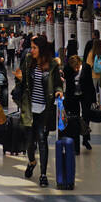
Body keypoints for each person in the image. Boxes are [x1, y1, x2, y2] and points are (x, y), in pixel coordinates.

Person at [13, 36, 64, 187]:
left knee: (42, 139)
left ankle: (43, 174)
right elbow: (19, 80)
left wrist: (59, 91)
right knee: (29, 142)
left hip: (44, 109)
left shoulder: (53, 64)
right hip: (29, 107)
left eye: (35, 47)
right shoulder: (28, 61)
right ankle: (32, 162)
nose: (32, 50)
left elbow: (57, 83)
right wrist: (19, 78)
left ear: (41, 49)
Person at [63, 51, 95, 150]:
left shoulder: (86, 68)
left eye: (77, 67)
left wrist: (93, 99)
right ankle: (75, 140)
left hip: (85, 94)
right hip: (72, 96)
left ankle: (85, 138)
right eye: (74, 68)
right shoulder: (68, 69)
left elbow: (90, 83)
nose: (75, 70)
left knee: (86, 116)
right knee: (74, 118)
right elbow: (67, 83)